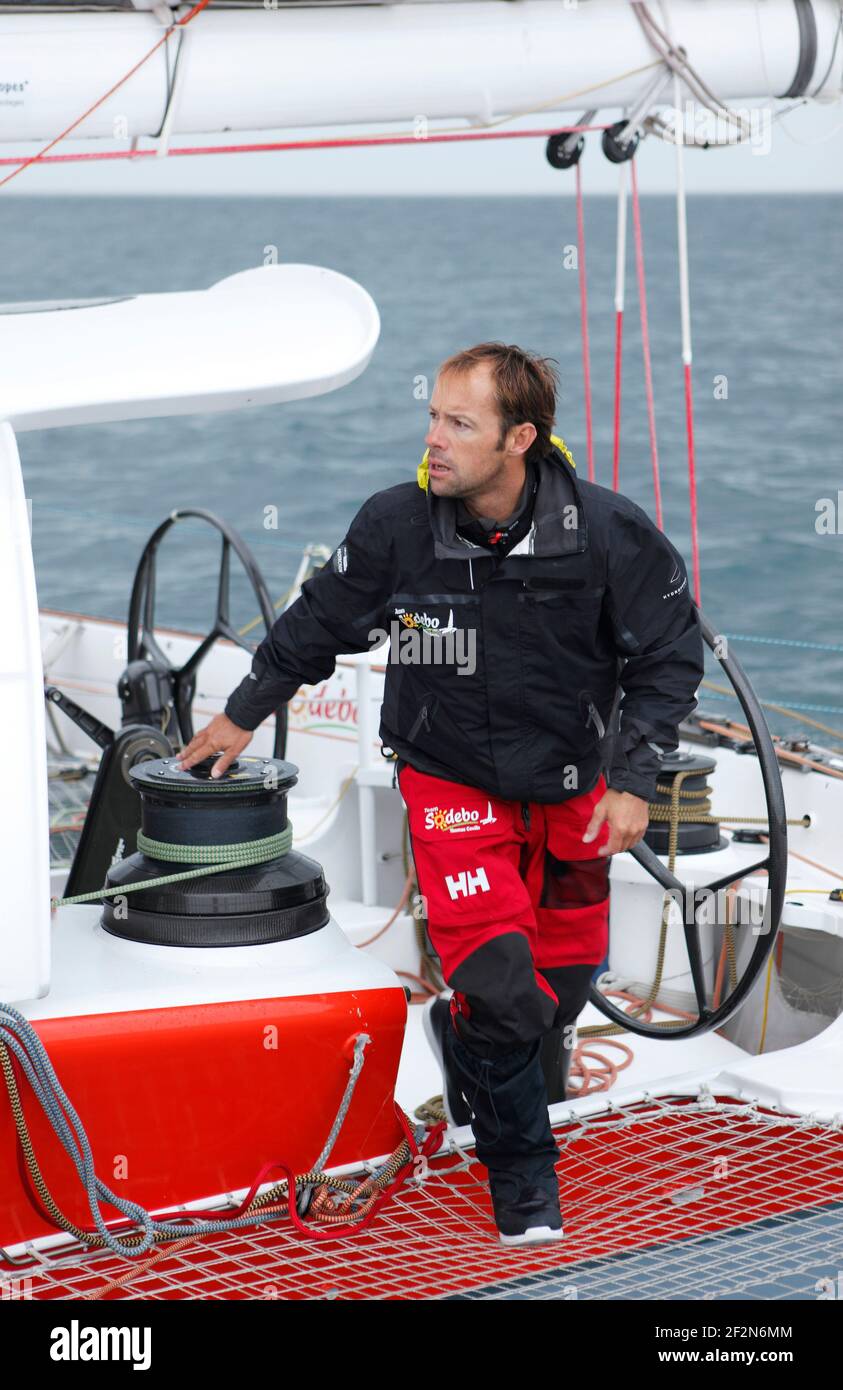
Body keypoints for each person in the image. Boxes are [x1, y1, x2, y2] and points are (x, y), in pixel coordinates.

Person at [176, 342, 705, 1247]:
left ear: (520, 439)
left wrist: (632, 780)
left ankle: (462, 1040)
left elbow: (668, 658)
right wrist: (239, 716)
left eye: (459, 424)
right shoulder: (395, 526)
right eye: (432, 417)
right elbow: (316, 625)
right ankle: (524, 1191)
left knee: (558, 990)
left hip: (574, 788)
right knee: (503, 989)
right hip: (449, 779)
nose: (433, 441)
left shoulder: (610, 534)